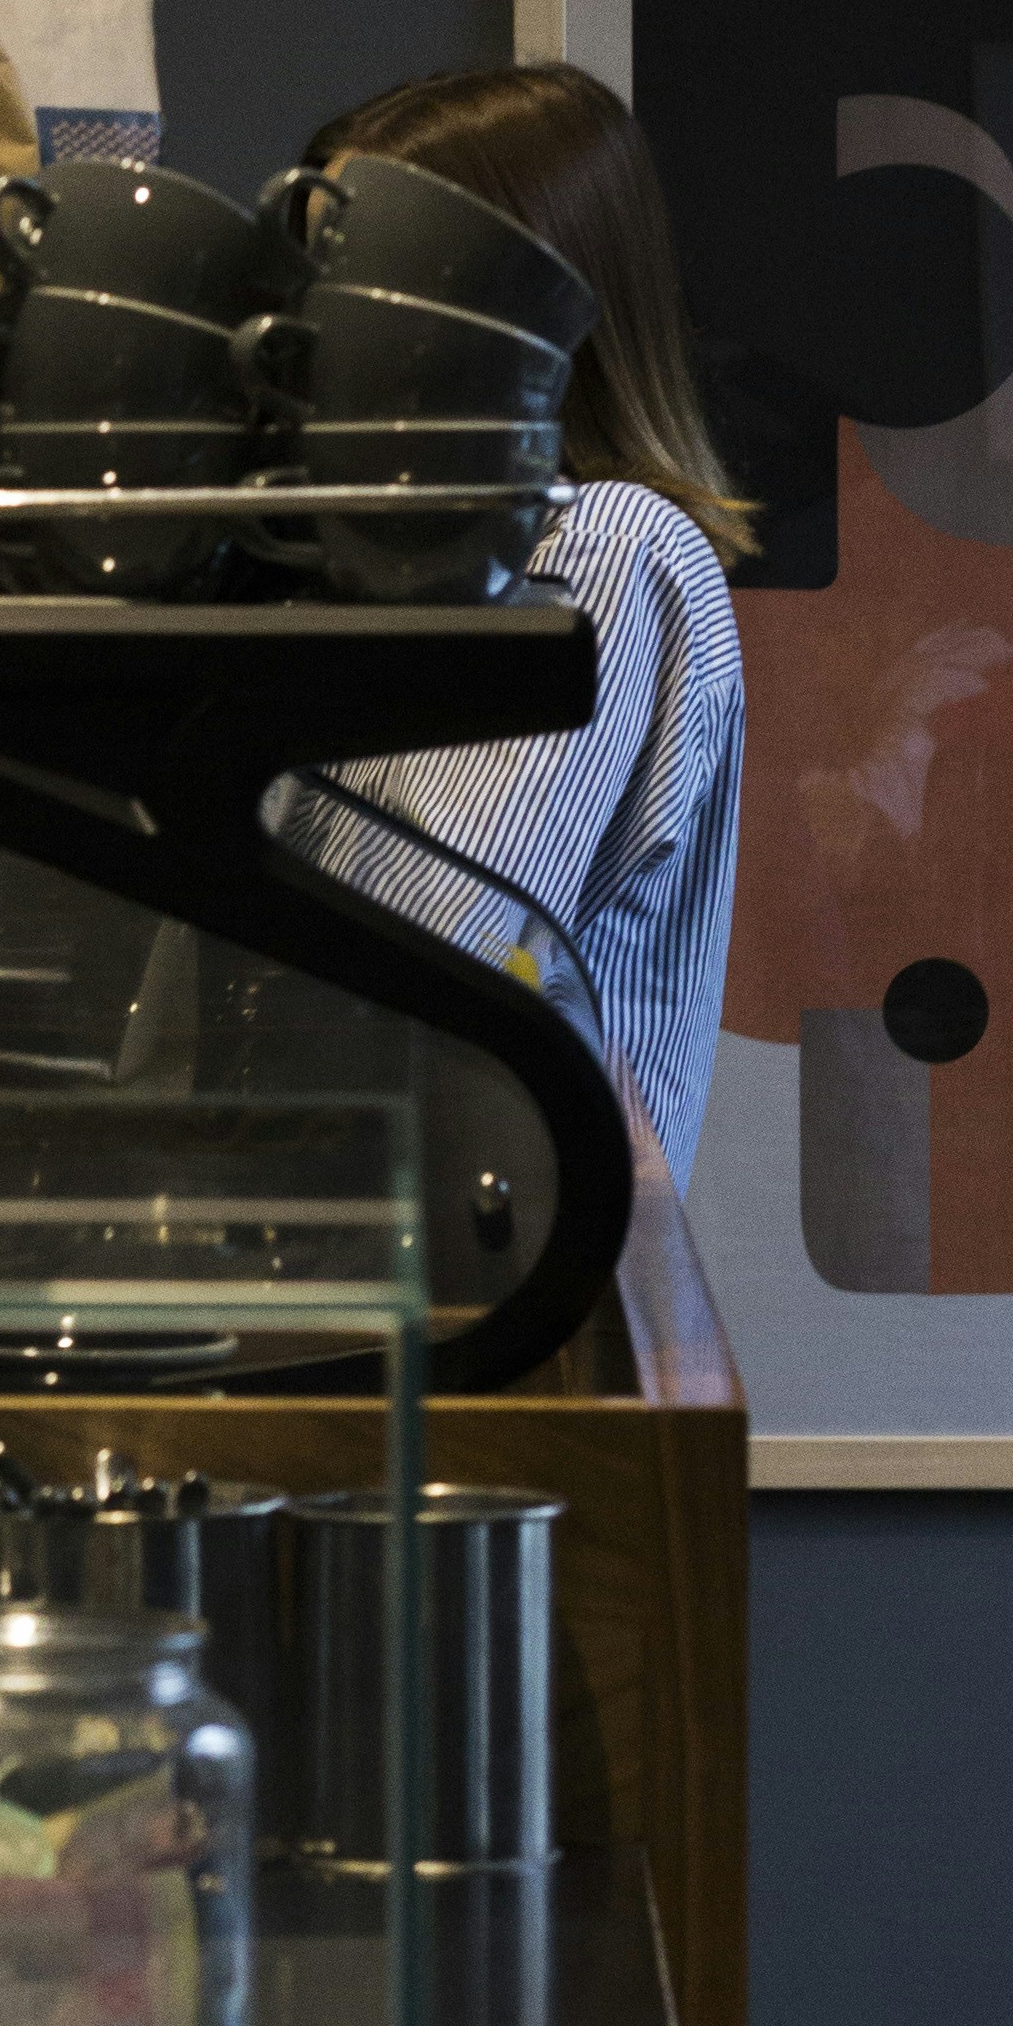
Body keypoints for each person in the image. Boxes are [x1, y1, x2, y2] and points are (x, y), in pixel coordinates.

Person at [279, 61, 749, 1188]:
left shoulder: (599, 550)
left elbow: (432, 946)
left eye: (360, 274)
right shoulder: (396, 570)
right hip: (411, 1239)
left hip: (492, 1287)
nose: (303, 326)